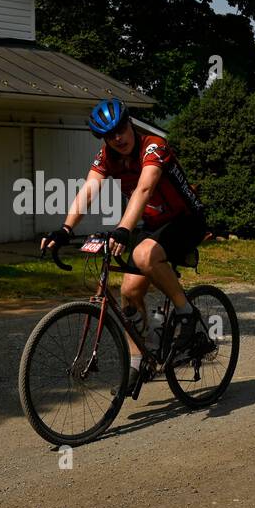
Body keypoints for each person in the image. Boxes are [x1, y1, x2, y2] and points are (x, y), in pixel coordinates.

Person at [40, 99, 208, 387]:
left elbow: (144, 189)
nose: (118, 138)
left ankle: (186, 312)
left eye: (120, 129)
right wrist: (65, 230)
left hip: (186, 220)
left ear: (130, 123)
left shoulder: (154, 147)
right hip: (155, 225)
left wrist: (123, 230)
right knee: (128, 292)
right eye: (110, 135)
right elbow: (88, 191)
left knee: (143, 255)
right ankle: (139, 360)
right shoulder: (108, 156)